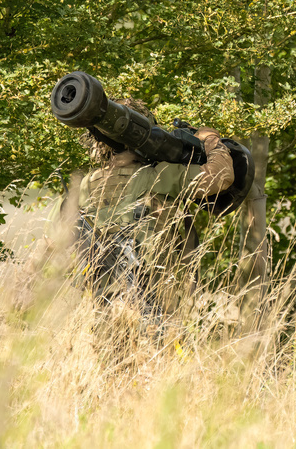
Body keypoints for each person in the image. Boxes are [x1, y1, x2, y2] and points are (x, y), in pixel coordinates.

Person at [75, 98, 235, 319]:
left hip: (105, 297)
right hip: (156, 292)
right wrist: (212, 141)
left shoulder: (88, 183)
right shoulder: (157, 175)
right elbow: (221, 176)